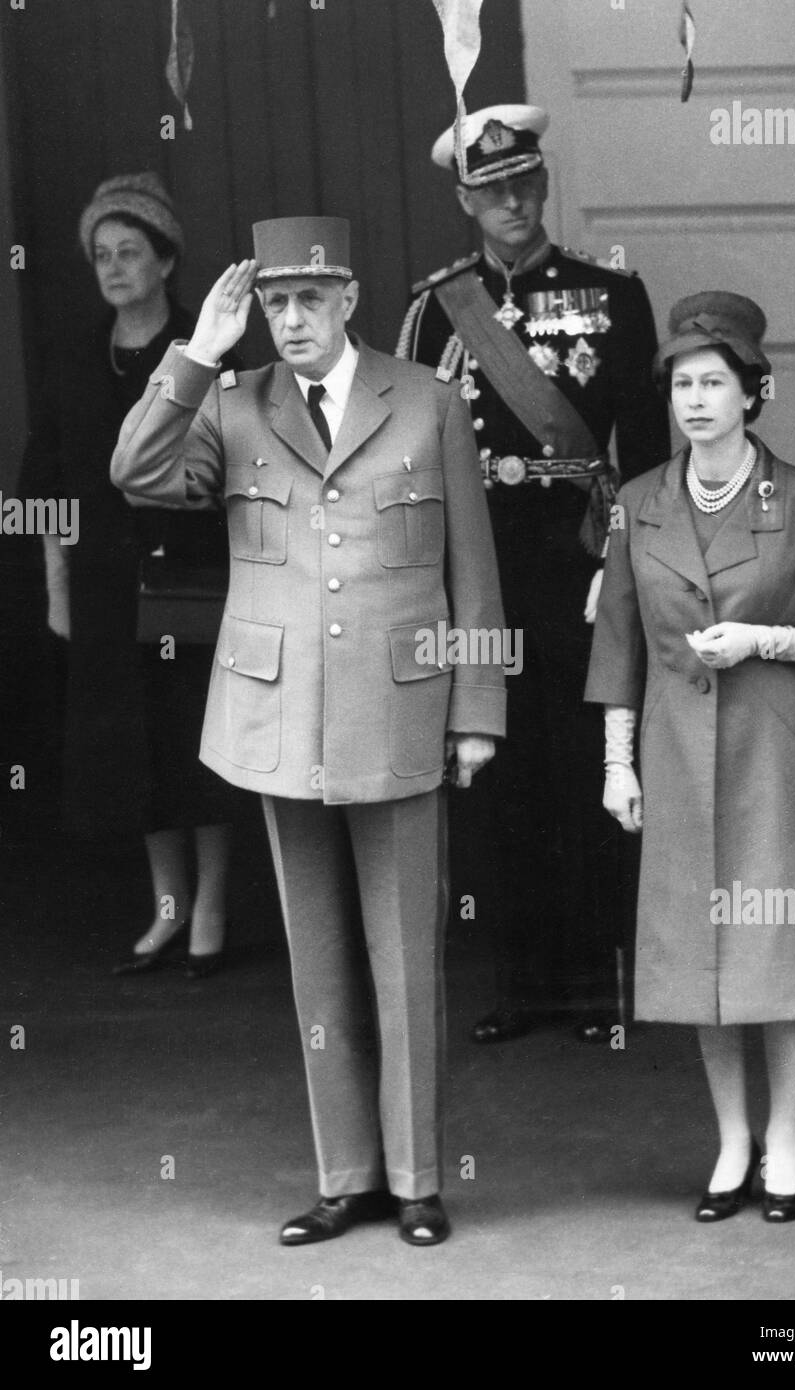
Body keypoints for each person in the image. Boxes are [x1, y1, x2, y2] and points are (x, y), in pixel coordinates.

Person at [111, 217, 506, 1247]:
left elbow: (474, 567)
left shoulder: (425, 402)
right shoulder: (233, 405)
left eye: (307, 300)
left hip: (404, 709)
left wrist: (477, 710)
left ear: (349, 300)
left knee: (407, 960)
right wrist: (200, 348)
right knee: (318, 961)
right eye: (273, 303)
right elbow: (135, 472)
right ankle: (348, 1177)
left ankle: (418, 1179)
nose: (289, 319)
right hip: (282, 720)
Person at [585, 291, 795, 1222]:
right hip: (672, 755)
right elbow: (618, 647)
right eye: (681, 384)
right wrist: (615, 764)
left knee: (775, 952)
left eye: (714, 383)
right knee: (697, 958)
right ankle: (729, 1142)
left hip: (773, 758)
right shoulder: (637, 504)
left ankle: (783, 1138)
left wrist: (765, 640)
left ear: (752, 394)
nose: (695, 400)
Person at [398, 104, 671, 1044]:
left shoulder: (611, 297)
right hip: (479, 570)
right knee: (498, 769)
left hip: (581, 560)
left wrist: (629, 565)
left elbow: (643, 452)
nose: (510, 202)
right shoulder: (436, 307)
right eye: (490, 190)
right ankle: (523, 984)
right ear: (465, 201)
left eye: (523, 183)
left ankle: (599, 985)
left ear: (544, 184)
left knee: (589, 763)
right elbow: (410, 461)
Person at [18, 172, 238, 980]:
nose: (114, 268)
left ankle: (212, 905)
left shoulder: (207, 351)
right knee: (134, 753)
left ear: (165, 259)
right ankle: (167, 907)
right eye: (101, 255)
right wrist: (56, 588)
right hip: (104, 589)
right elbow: (41, 486)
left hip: (193, 582)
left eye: (130, 252)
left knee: (192, 744)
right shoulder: (75, 359)